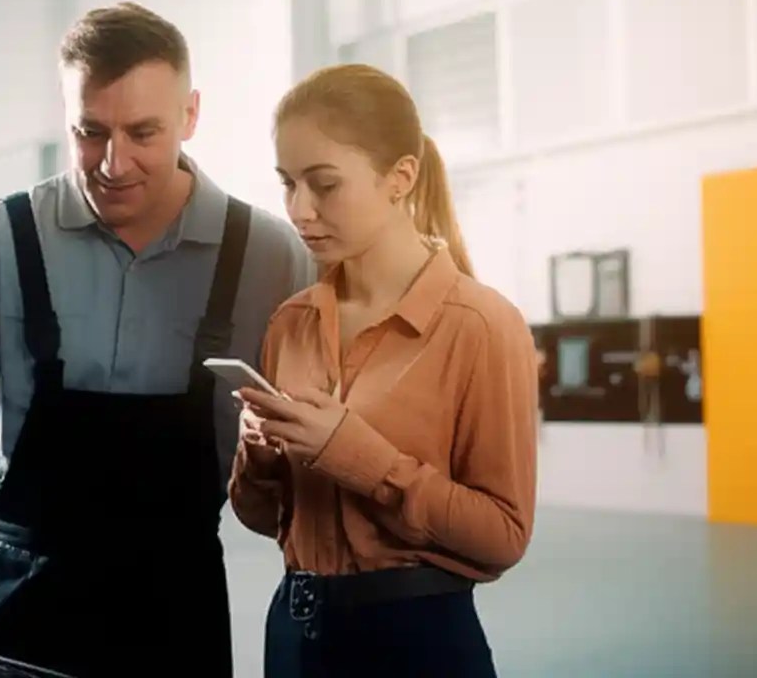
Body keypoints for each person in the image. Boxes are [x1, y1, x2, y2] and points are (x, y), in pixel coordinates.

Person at [0, 1, 316, 677]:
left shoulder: (270, 257)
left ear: (191, 115)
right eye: (90, 132)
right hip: (24, 596)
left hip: (176, 599)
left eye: (144, 132)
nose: (115, 163)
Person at [229, 63, 539, 677]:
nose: (299, 210)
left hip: (415, 641)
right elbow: (261, 517)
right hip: (293, 632)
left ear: (401, 178)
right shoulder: (291, 322)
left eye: (325, 185)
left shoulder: (480, 325)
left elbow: (503, 536)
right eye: (287, 184)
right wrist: (258, 453)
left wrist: (360, 458)